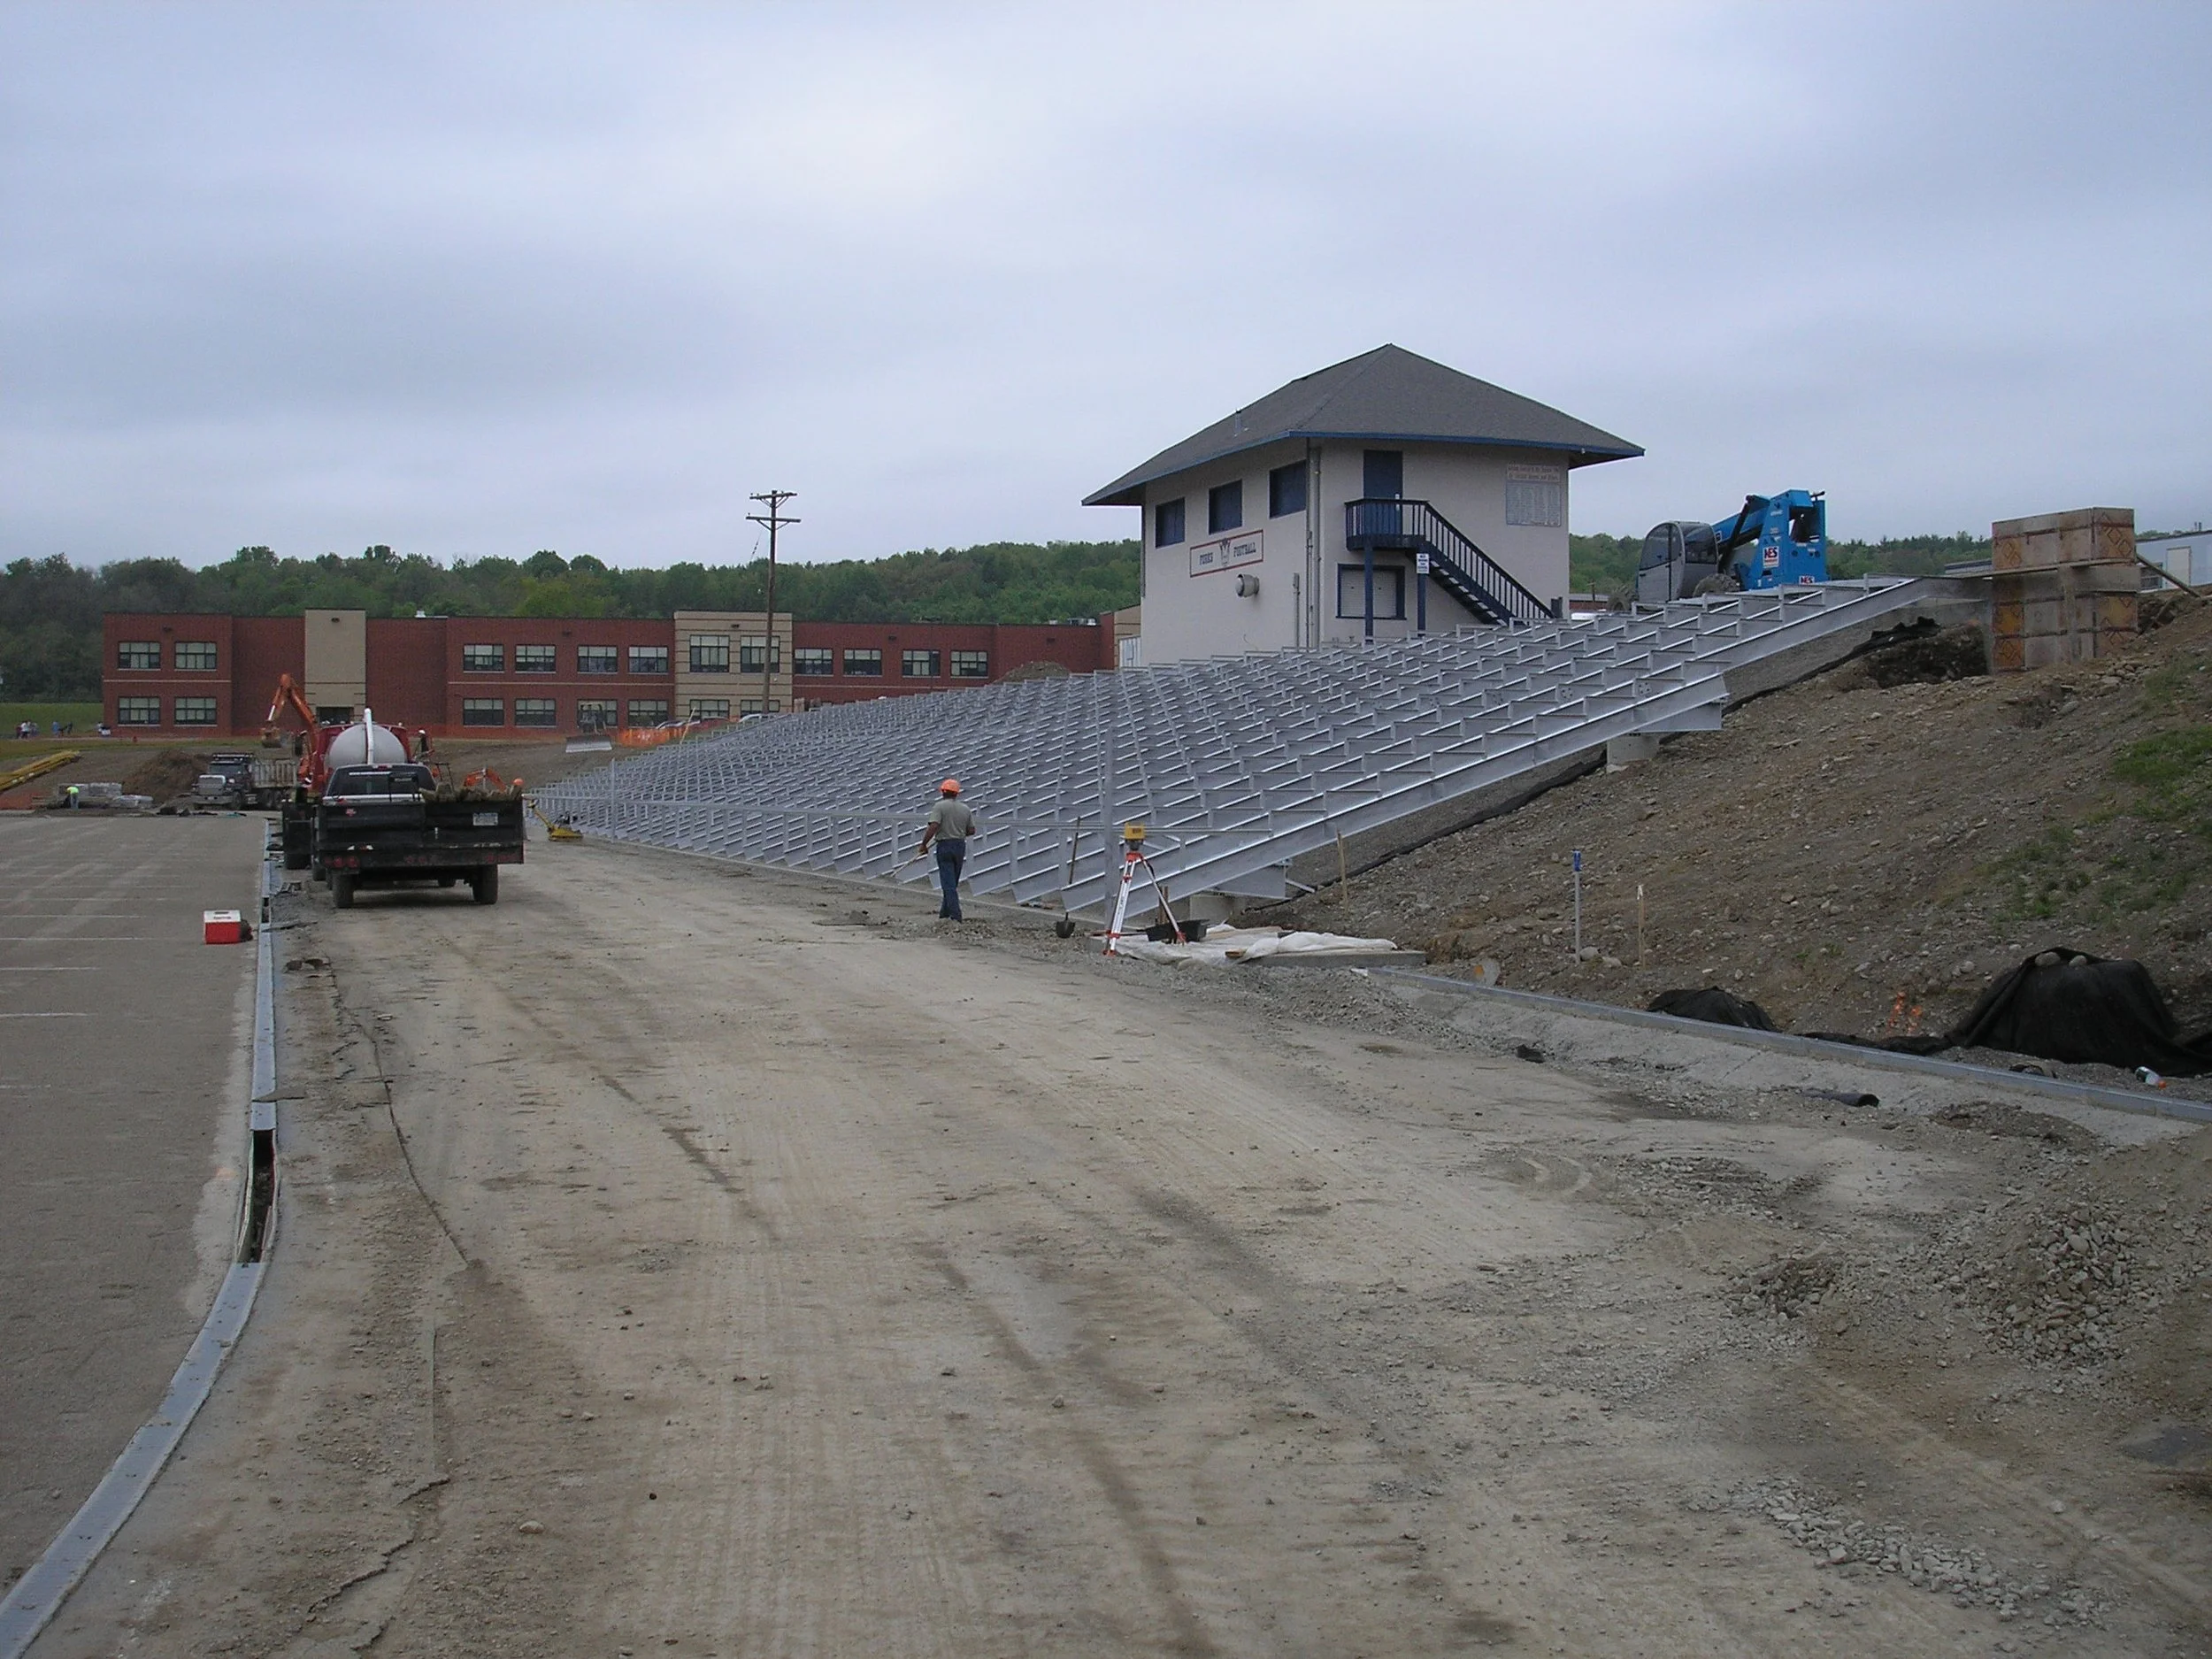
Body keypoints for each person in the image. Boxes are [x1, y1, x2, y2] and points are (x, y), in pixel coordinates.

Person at [917, 778, 976, 921]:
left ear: (943, 792)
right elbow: (972, 830)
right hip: (959, 845)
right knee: (952, 881)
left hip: (945, 845)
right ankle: (944, 914)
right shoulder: (965, 808)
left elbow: (934, 826)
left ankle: (956, 916)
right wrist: (958, 832)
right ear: (957, 793)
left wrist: (924, 844)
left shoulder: (940, 806)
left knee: (948, 883)